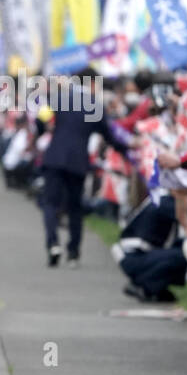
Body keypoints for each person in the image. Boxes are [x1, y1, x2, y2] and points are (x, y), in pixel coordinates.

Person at [40, 67, 134, 268]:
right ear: (91, 83)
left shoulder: (60, 98)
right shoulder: (95, 106)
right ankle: (73, 253)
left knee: (50, 204)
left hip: (54, 158)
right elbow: (111, 139)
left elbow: (41, 121)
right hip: (77, 162)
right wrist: (129, 153)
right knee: (75, 208)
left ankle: (53, 244)